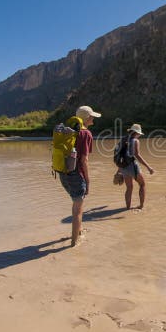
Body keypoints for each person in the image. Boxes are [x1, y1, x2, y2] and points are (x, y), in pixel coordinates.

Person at [59, 105, 101, 247]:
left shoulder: (68, 132)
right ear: (87, 118)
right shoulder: (86, 134)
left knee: (76, 203)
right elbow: (84, 160)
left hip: (63, 173)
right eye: (92, 116)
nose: (93, 119)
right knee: (78, 210)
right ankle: (74, 242)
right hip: (77, 175)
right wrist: (88, 180)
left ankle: (79, 230)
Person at [120, 123, 155, 210]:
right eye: (139, 134)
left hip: (123, 166)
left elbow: (120, 155)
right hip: (132, 166)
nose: (139, 135)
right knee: (142, 184)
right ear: (136, 133)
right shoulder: (135, 141)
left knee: (129, 187)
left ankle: (127, 208)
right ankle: (141, 206)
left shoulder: (123, 140)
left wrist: (118, 170)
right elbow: (137, 156)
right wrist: (148, 167)